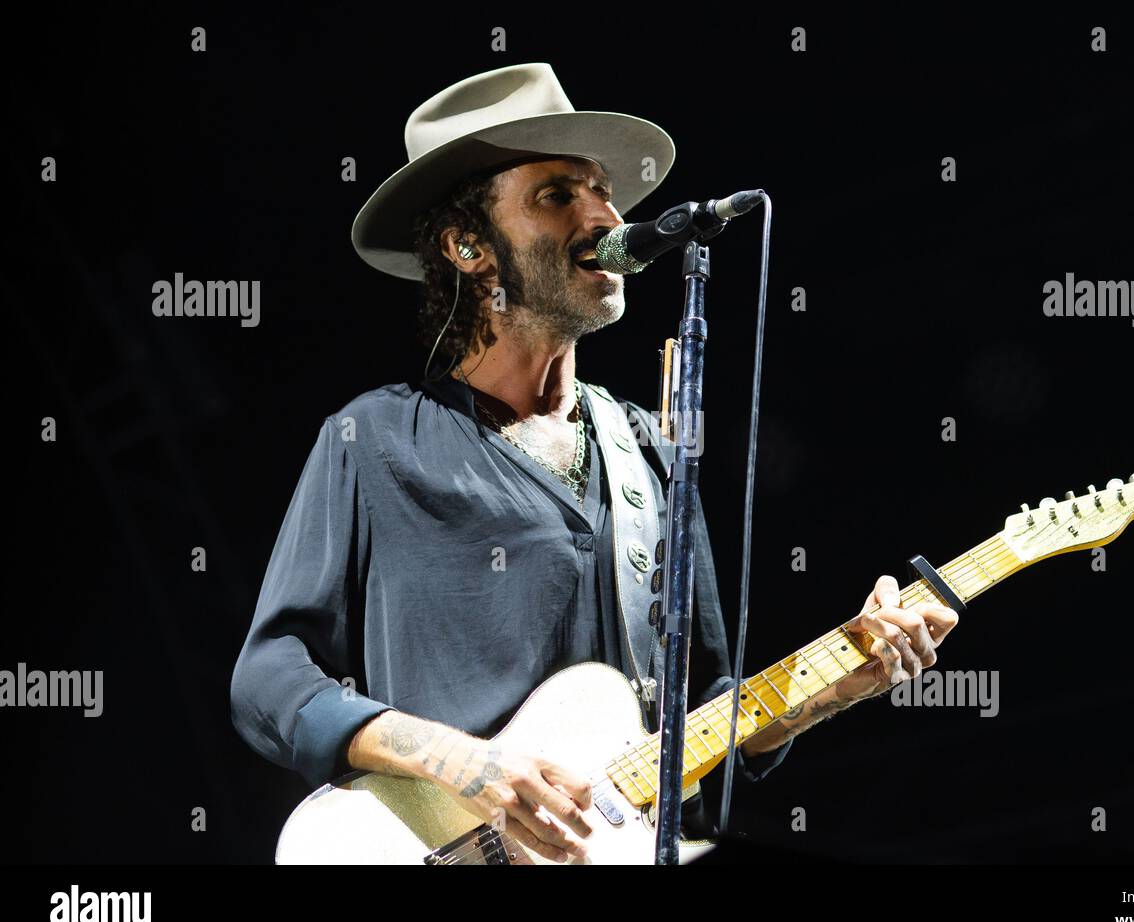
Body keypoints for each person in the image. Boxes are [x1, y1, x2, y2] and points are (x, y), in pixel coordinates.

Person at [230, 63, 959, 864]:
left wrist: (831, 688)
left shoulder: (647, 452)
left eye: (605, 190)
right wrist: (465, 763)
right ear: (468, 245)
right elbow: (270, 679)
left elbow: (703, 727)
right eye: (558, 194)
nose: (607, 215)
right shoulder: (372, 440)